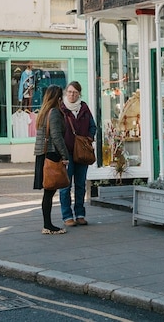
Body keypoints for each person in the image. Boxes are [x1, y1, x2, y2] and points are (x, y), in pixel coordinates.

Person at [32, 85, 71, 235]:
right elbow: (56, 136)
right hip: (51, 154)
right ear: (57, 97)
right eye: (61, 96)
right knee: (50, 190)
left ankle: (47, 224)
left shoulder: (43, 112)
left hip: (43, 154)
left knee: (48, 191)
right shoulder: (54, 112)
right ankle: (47, 225)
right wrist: (65, 155)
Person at [58, 81, 96, 227]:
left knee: (80, 185)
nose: (72, 95)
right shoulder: (61, 109)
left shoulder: (84, 108)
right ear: (65, 93)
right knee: (65, 186)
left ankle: (80, 214)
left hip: (82, 153)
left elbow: (93, 127)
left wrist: (88, 139)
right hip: (66, 153)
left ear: (79, 93)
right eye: (69, 92)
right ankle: (67, 216)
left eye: (74, 92)